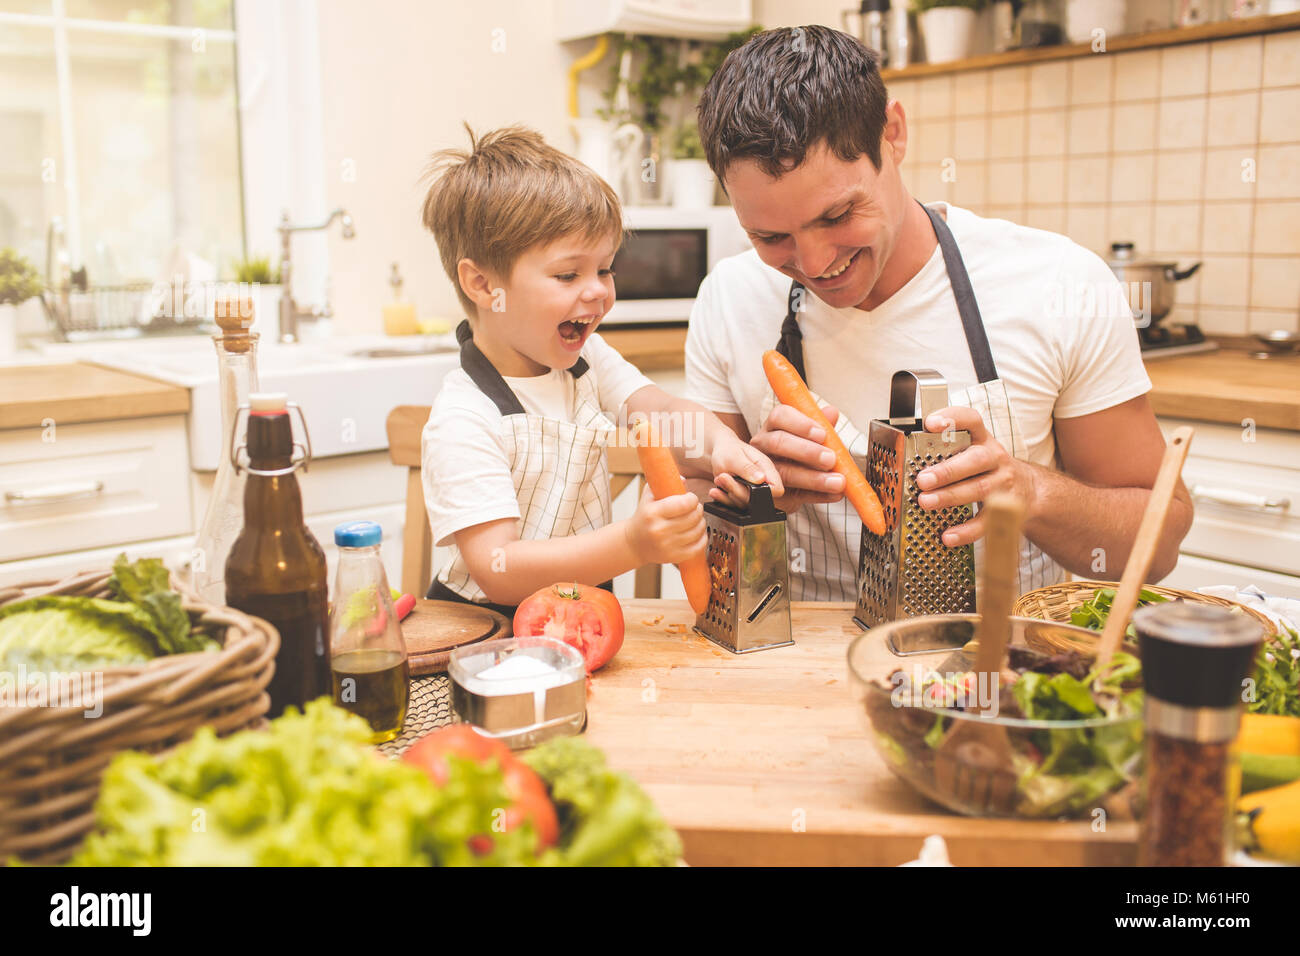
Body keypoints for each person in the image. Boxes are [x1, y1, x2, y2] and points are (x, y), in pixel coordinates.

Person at [686, 26, 1193, 601]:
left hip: (1001, 661)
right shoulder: (728, 298)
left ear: (893, 135)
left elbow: (1159, 546)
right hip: (800, 669)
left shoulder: (1058, 283)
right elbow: (689, 541)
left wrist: (1031, 492)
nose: (816, 261)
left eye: (838, 215)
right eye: (772, 236)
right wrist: (752, 500)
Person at [419, 125, 778, 614]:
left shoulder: (587, 361)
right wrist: (632, 544)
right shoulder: (464, 418)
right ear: (482, 284)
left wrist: (718, 445)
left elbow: (658, 412)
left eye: (605, 269)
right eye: (568, 274)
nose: (598, 292)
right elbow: (497, 569)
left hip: (579, 618)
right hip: (485, 634)